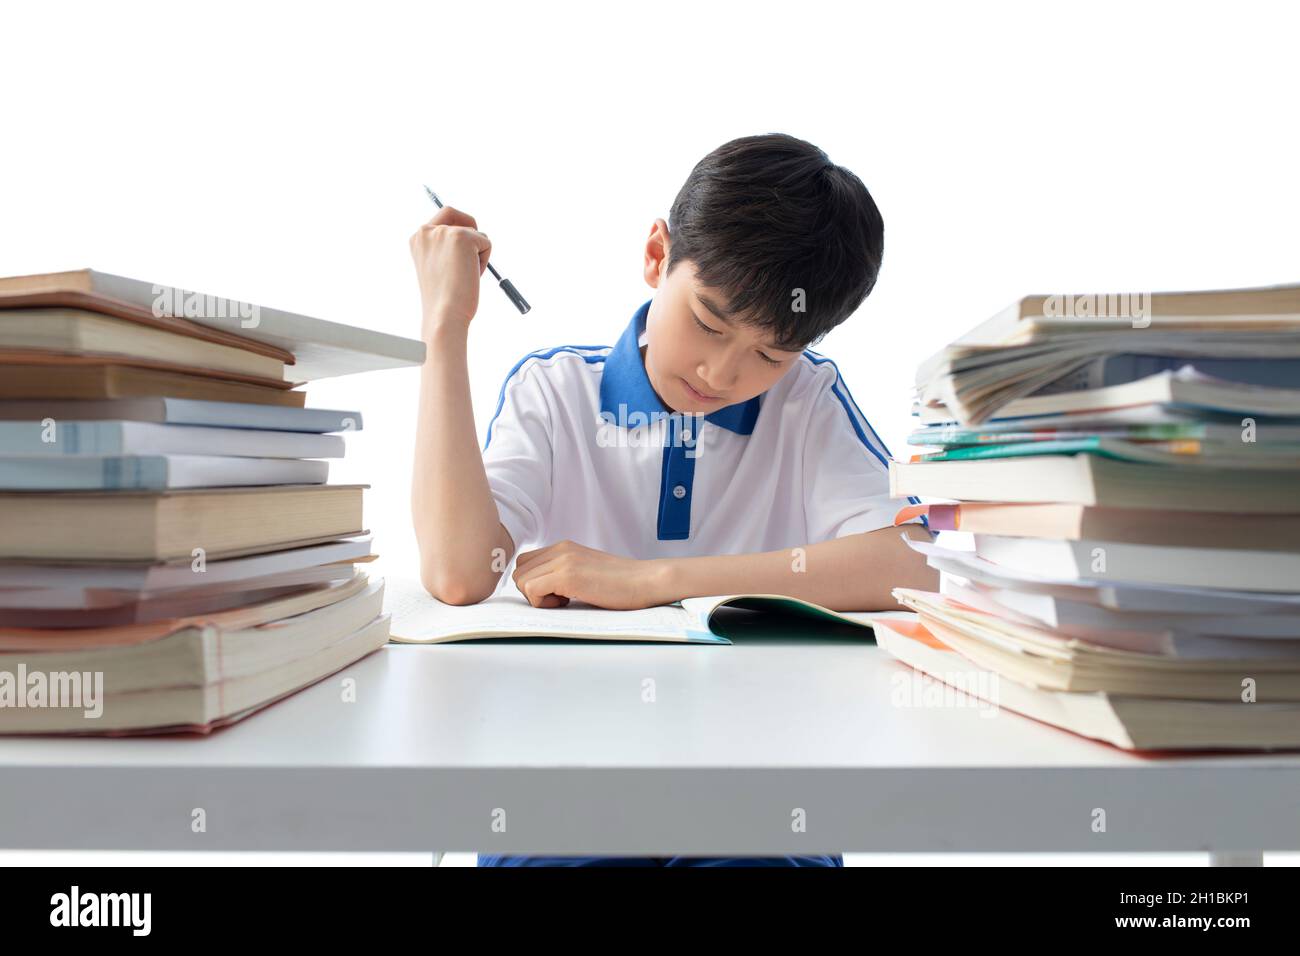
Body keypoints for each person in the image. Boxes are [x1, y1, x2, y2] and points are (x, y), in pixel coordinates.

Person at [409, 133, 937, 867]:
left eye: (768, 355)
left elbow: (913, 564)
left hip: (756, 779)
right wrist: (445, 328)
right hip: (566, 775)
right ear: (657, 255)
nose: (722, 372)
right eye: (710, 323)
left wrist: (656, 584)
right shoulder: (556, 391)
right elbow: (460, 574)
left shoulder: (807, 401)